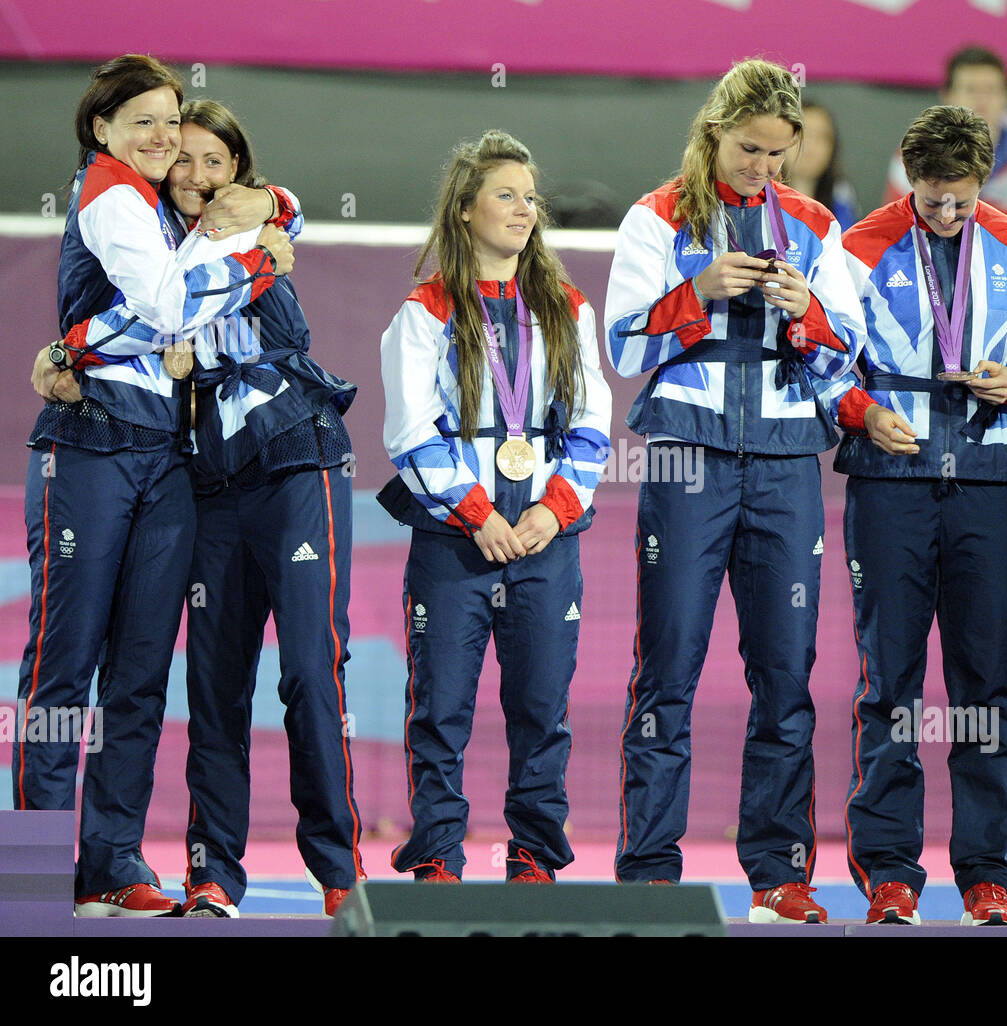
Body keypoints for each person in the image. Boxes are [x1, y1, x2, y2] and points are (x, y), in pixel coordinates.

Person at [70, 99, 367, 918]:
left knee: (311, 672)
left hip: (298, 465)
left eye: (215, 161)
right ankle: (214, 874)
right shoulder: (156, 256)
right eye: (183, 161)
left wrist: (274, 213)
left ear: (239, 171)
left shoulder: (263, 226)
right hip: (208, 487)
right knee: (212, 687)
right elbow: (122, 325)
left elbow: (281, 315)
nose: (198, 175)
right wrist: (63, 353)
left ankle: (340, 872)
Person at [18, 55, 291, 917]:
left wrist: (275, 208)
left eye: (171, 123)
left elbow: (259, 212)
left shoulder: (170, 209)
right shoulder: (105, 193)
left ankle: (110, 865)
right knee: (63, 669)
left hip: (166, 458)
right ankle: (26, 874)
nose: (163, 138)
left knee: (138, 676)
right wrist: (258, 265)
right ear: (100, 129)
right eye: (142, 120)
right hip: (89, 448)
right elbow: (172, 308)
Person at [604, 58, 865, 923]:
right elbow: (622, 346)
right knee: (668, 668)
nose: (764, 168)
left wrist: (809, 313)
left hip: (788, 458)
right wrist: (697, 292)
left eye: (779, 155)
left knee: (786, 674)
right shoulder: (658, 215)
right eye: (750, 149)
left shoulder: (818, 225)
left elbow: (846, 355)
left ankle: (781, 874)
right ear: (716, 130)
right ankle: (648, 872)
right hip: (688, 457)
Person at [824, 105, 1007, 927]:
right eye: (932, 199)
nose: (948, 214)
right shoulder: (854, 247)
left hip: (990, 474)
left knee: (985, 682)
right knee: (890, 679)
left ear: (982, 180)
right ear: (908, 177)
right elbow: (822, 362)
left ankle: (987, 873)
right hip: (892, 473)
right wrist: (857, 409)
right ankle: (890, 871)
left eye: (961, 198)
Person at [379, 130, 611, 884]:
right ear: (466, 209)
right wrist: (480, 514)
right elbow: (412, 431)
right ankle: (439, 853)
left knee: (542, 709)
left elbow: (592, 422)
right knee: (441, 710)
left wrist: (552, 510)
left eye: (531, 197)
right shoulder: (425, 310)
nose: (524, 209)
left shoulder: (566, 307)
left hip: (547, 532)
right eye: (506, 195)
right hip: (456, 537)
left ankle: (535, 854)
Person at [883, 46, 1007, 240]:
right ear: (947, 95)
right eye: (971, 89)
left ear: (1006, 97)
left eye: (990, 90)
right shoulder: (914, 152)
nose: (981, 100)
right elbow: (895, 232)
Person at [788, 100, 859, 231]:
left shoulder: (841, 197)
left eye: (821, 137)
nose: (811, 146)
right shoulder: (757, 200)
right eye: (802, 135)